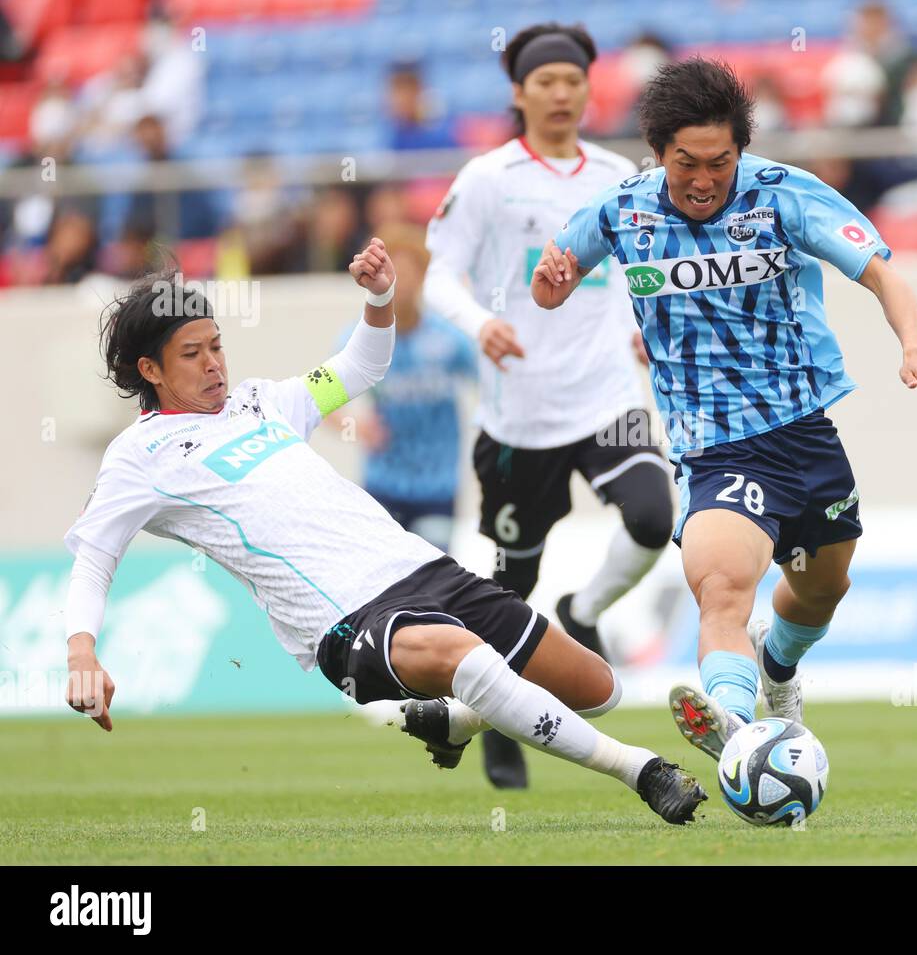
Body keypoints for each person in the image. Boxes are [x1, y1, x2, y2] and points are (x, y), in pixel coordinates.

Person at [60, 237, 706, 826]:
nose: (214, 365)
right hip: (345, 621)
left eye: (217, 346)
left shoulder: (261, 403)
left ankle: (459, 721)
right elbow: (95, 558)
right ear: (150, 371)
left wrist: (379, 298)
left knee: (599, 689)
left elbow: (358, 368)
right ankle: (643, 771)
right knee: (465, 658)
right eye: (192, 355)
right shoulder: (139, 458)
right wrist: (82, 652)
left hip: (424, 570)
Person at [532, 58, 917, 761]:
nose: (704, 180)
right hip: (715, 447)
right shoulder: (621, 211)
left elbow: (882, 274)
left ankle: (778, 666)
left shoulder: (783, 195)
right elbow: (552, 281)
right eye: (686, 164)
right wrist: (548, 287)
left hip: (803, 432)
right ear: (657, 154)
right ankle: (735, 727)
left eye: (720, 161)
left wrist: (914, 349)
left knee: (823, 588)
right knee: (722, 587)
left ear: (741, 150)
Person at [422, 23, 675, 789]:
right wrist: (481, 324)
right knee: (509, 593)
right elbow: (437, 277)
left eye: (573, 80)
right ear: (519, 94)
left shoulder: (616, 175)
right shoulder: (489, 178)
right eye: (546, 81)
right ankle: (492, 718)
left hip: (603, 399)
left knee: (653, 514)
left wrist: (642, 328)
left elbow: (642, 271)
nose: (562, 93)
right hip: (518, 420)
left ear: (589, 88)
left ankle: (586, 607)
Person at [327, 224, 476, 553]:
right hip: (383, 484)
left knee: (433, 576)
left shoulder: (449, 339)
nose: (403, 283)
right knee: (384, 576)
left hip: (438, 485)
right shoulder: (360, 337)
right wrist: (357, 425)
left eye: (412, 272)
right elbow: (324, 400)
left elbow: (490, 385)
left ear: (424, 277)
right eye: (396, 272)